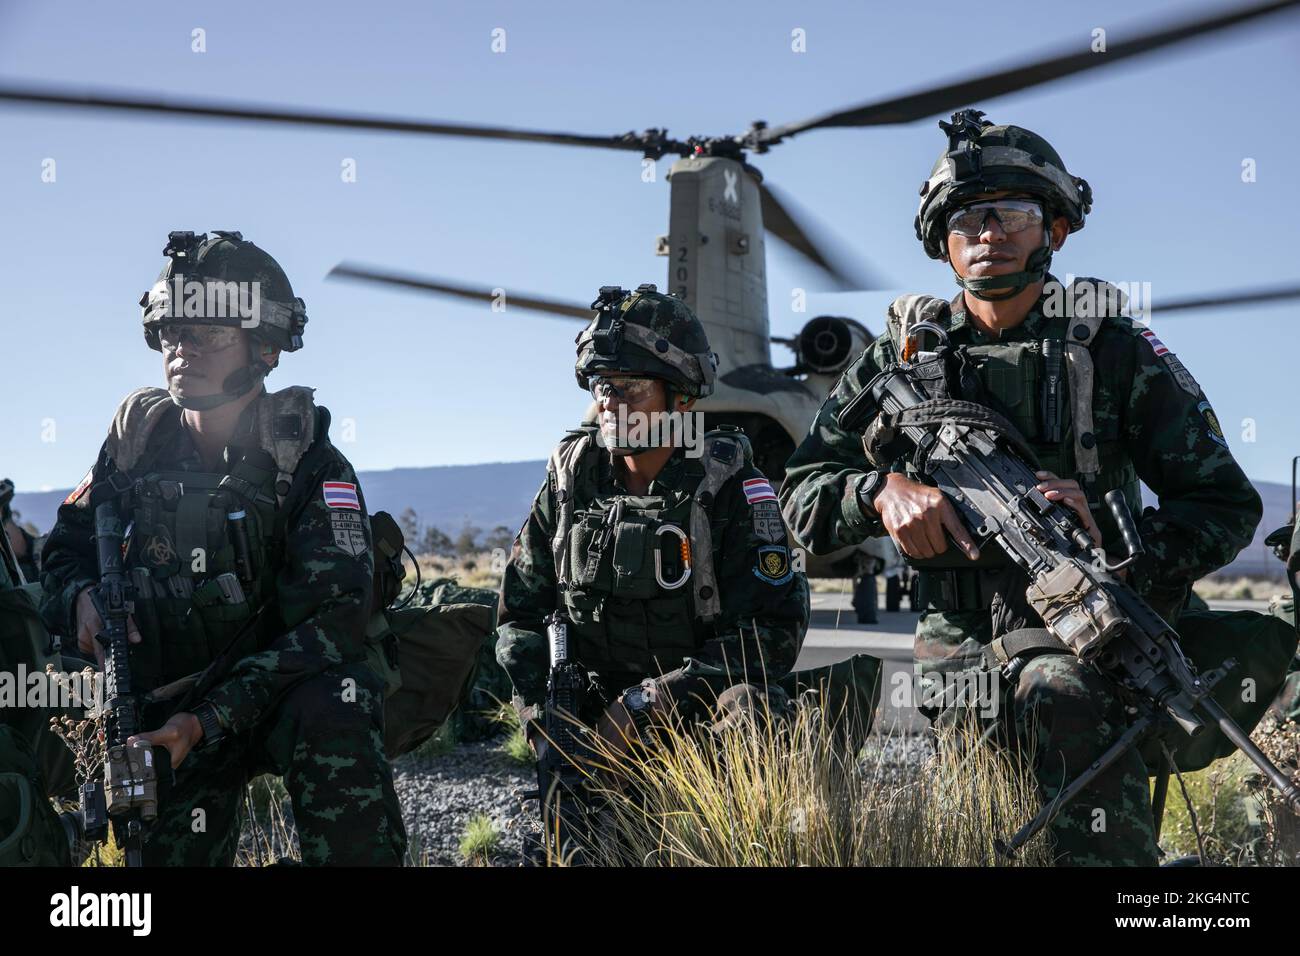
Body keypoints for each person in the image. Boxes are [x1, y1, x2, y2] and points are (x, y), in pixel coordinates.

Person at [779, 111, 1295, 865]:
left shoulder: (1111, 350)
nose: (989, 233)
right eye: (969, 219)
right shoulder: (898, 358)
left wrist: (1123, 543)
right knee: (995, 806)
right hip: (957, 651)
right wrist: (879, 493)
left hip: (1100, 628)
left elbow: (1224, 506)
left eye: (1013, 215)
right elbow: (800, 495)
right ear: (943, 241)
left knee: (1068, 703)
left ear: (1054, 228)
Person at [39, 230, 406, 866]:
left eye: (207, 334)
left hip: (276, 697)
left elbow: (334, 624)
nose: (183, 350)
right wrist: (82, 605)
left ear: (263, 346)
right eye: (171, 333)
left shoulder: (307, 460)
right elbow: (63, 555)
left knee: (336, 707)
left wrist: (205, 721)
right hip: (165, 707)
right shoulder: (134, 446)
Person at [496, 284, 809, 773]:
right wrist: (545, 717)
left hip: (697, 711)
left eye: (632, 389)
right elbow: (519, 616)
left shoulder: (728, 487)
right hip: (591, 715)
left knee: (753, 711)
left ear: (680, 397)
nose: (611, 404)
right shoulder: (570, 479)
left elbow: (772, 635)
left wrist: (650, 702)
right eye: (603, 387)